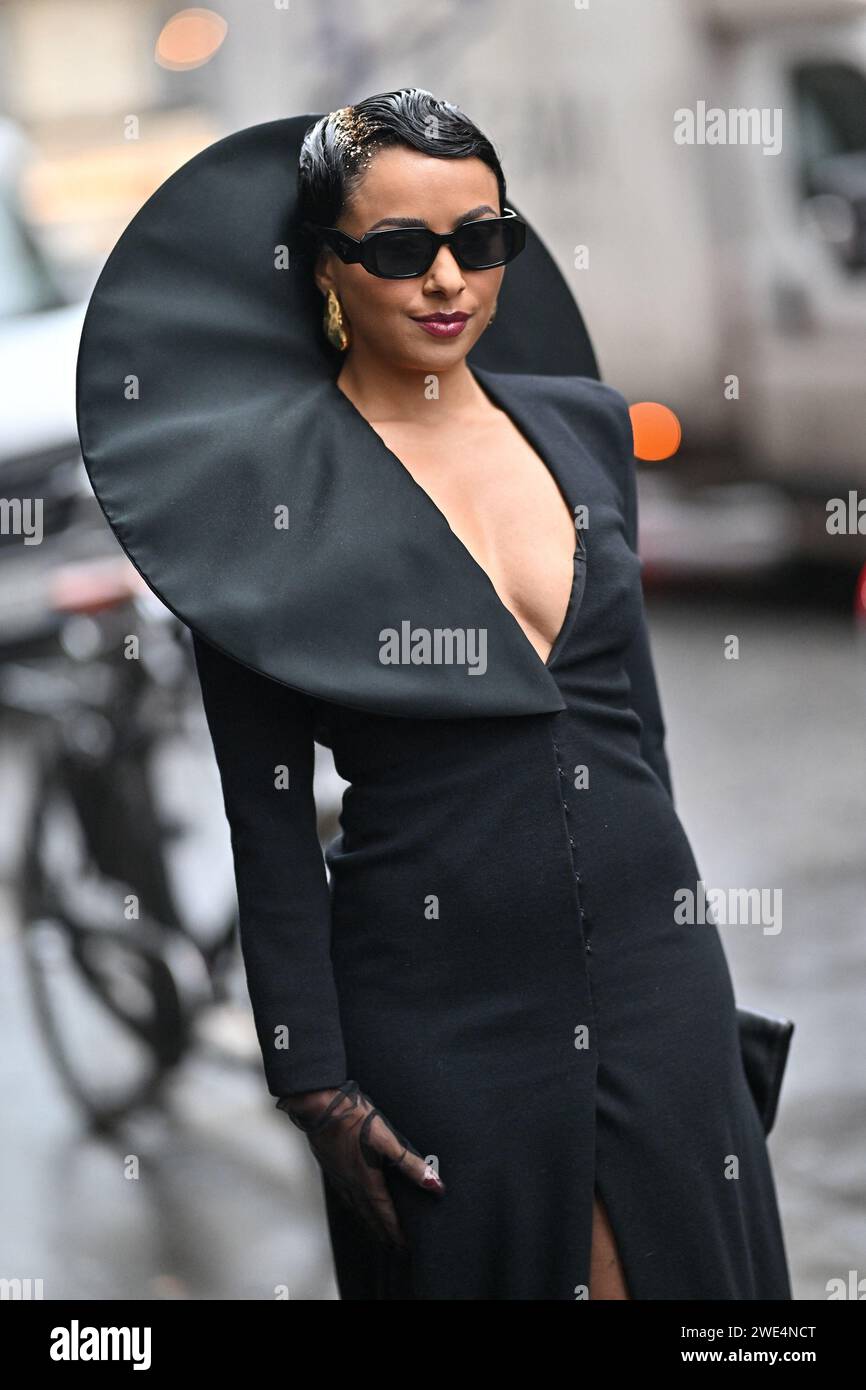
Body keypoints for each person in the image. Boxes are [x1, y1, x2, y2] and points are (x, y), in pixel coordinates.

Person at [77, 87, 793, 1300]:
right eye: (403, 251)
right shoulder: (252, 513)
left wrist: (688, 966)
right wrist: (311, 1083)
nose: (449, 279)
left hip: (656, 978)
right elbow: (268, 821)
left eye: (483, 238)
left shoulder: (583, 428)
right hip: (443, 1011)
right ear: (323, 270)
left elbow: (639, 731)